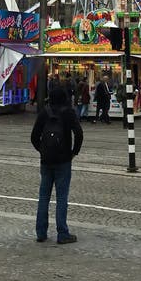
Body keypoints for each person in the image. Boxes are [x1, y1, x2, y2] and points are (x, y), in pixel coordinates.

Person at [30, 84, 83, 244]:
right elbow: (79, 133)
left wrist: (42, 150)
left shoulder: (44, 113)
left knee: (43, 196)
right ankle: (62, 233)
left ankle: (41, 232)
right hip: (63, 160)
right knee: (61, 197)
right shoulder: (69, 113)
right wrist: (74, 152)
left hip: (46, 161)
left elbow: (34, 136)